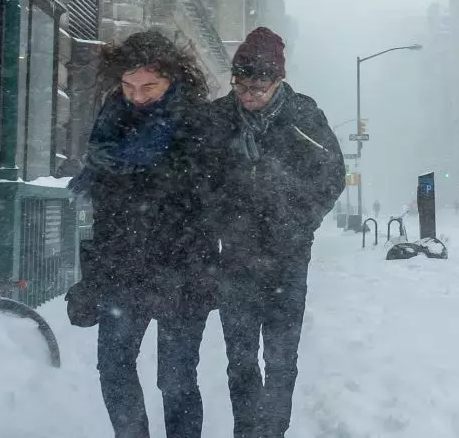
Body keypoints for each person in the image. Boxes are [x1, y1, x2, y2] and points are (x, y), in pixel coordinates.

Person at [65, 30, 218, 438]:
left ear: (173, 80)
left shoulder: (197, 126)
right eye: (128, 86)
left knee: (176, 377)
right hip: (122, 270)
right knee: (114, 366)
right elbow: (100, 214)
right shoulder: (110, 125)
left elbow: (209, 208)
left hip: (183, 273)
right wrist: (90, 278)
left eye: (149, 86)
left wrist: (185, 268)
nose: (137, 96)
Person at [207, 27, 345, 438]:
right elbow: (199, 179)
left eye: (258, 85)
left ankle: (273, 432)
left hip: (288, 260)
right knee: (241, 359)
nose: (247, 93)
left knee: (282, 359)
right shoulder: (218, 119)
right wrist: (223, 219)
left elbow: (333, 175)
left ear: (279, 80)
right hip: (235, 259)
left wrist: (298, 220)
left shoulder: (304, 115)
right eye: (240, 83)